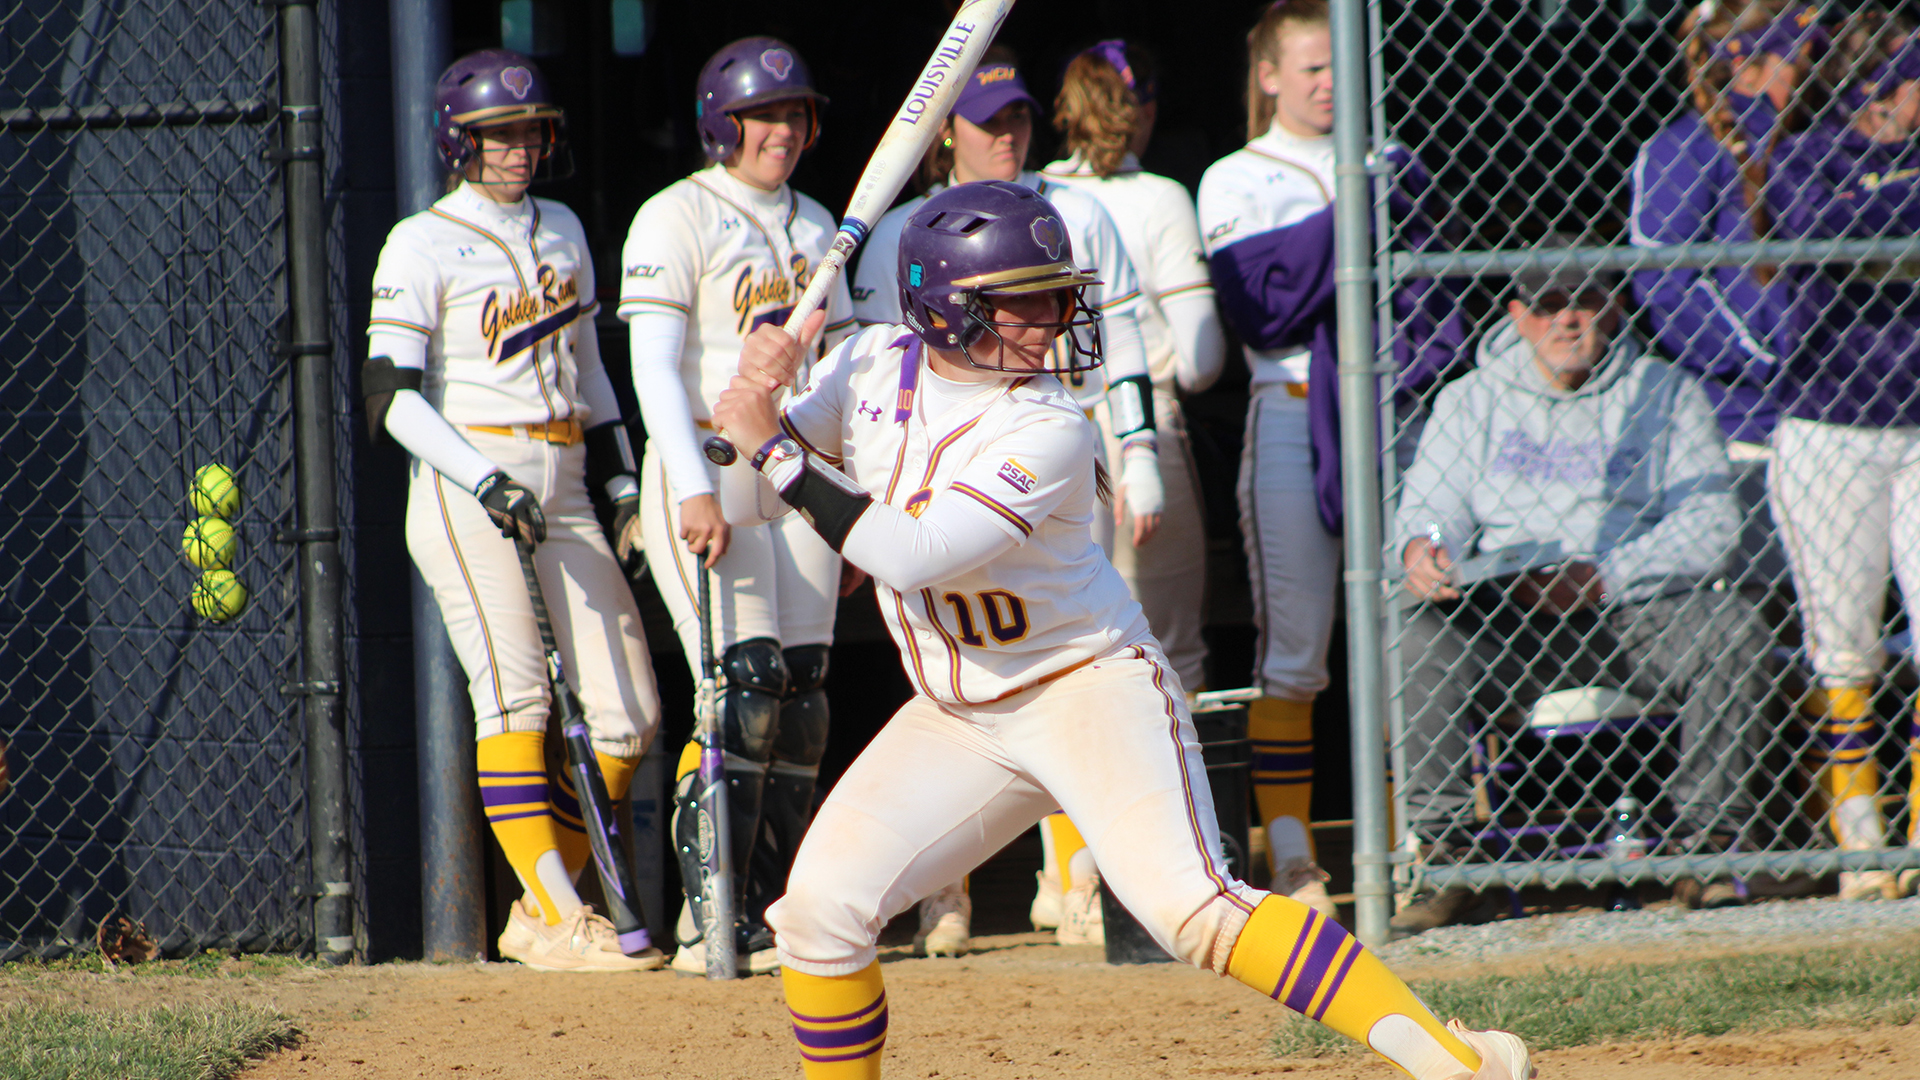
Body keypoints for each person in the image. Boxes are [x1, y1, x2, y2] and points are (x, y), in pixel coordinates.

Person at [709, 179, 1532, 1080]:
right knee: (821, 911)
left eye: (1060, 293)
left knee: (1195, 912)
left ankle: (1455, 1061)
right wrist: (754, 402)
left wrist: (775, 445)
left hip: (1085, 691)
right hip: (958, 712)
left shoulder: (1050, 426)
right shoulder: (864, 367)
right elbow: (745, 503)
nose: (1057, 317)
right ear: (945, 312)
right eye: (1025, 299)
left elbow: (909, 552)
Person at [850, 53, 1166, 955]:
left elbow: (1123, 347)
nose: (1008, 136)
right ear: (945, 130)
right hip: (917, 464)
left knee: (1055, 651)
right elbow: (883, 371)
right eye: (988, 121)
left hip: (1047, 446)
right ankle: (941, 887)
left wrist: (1138, 456)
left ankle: (1072, 881)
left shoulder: (1069, 215)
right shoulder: (901, 235)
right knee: (949, 662)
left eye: (1019, 120)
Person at [365, 49, 663, 971]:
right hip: (471, 476)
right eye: (499, 133)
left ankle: (540, 908)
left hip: (567, 471)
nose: (519, 149)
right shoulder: (420, 239)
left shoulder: (566, 226)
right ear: (460, 139)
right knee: (518, 694)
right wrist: (484, 479)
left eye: (530, 131)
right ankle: (566, 914)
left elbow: (594, 371)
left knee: (629, 717)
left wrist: (621, 481)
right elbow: (389, 395)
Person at [1390, 261, 1768, 933]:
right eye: (1548, 304)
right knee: (1414, 630)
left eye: (1585, 301)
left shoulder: (1665, 390)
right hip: (1507, 617)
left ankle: (1704, 848)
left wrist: (1605, 576)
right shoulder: (1471, 399)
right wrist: (1426, 548)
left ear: (1614, 307)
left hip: (1633, 609)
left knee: (1736, 628)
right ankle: (1448, 857)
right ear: (1516, 315)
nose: (1567, 318)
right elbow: (1428, 509)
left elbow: (1712, 527)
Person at [1198, 0, 1463, 920]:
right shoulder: (1237, 177)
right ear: (1269, 75)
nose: (1326, 83)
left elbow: (1435, 308)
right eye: (1309, 67)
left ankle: (1416, 842)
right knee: (1298, 653)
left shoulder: (1397, 160)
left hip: (1395, 418)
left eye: (1336, 67)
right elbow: (1265, 313)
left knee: (1411, 641)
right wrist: (1354, 207)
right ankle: (1296, 857)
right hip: (1291, 411)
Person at [616, 36, 858, 975]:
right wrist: (689, 485)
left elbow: (836, 365)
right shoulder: (674, 215)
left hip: (795, 469)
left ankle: (769, 910)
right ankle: (704, 918)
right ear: (725, 120)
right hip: (710, 465)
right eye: (767, 114)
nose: (785, 132)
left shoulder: (821, 222)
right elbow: (651, 368)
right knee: (741, 691)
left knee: (802, 699)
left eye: (797, 115)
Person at [1767, 25, 1920, 901]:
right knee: (1844, 645)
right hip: (1829, 429)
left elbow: (1858, 227)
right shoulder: (1807, 153)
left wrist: (1876, 216)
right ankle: (1863, 843)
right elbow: (1821, 229)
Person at [1631, 2, 1825, 451]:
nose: (1816, 67)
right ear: (1746, 68)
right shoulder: (1687, 147)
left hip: (1842, 407)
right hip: (1744, 423)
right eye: (1796, 57)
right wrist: (1764, 358)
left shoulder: (1821, 139)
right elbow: (1666, 287)